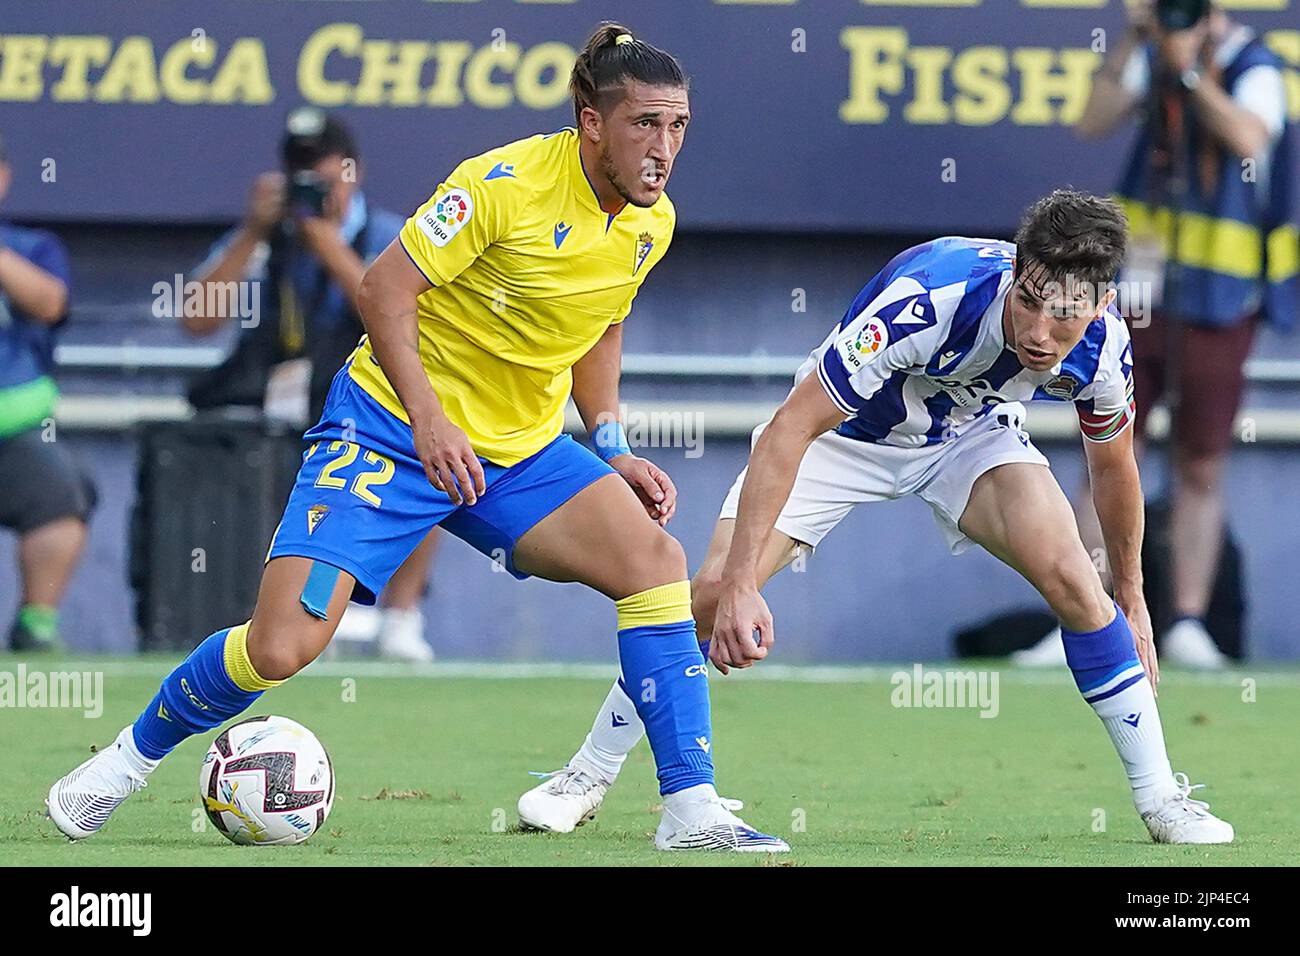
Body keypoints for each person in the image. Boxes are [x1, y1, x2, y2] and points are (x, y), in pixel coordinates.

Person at [46, 23, 788, 853]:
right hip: (389, 432)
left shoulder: (652, 224)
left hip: (516, 452)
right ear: (591, 121)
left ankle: (690, 809)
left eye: (678, 125)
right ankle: (121, 764)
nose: (664, 147)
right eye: (644, 123)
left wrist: (611, 444)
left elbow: (599, 328)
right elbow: (382, 288)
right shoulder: (501, 185)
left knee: (654, 564)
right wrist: (429, 418)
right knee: (281, 647)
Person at [518, 190, 1234, 845]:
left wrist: (1133, 595)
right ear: (1016, 273)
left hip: (968, 436)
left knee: (1081, 587)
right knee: (707, 596)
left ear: (1102, 304)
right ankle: (586, 774)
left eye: (1067, 315)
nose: (1042, 333)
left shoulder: (1105, 349)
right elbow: (789, 430)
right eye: (1030, 302)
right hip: (844, 435)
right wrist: (739, 585)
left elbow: (1114, 470)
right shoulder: (929, 300)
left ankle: (1161, 798)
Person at [1073, 0, 1297, 668]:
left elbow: (1251, 139)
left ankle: (1189, 623)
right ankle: (1085, 612)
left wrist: (1191, 73)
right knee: (1110, 447)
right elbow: (1091, 121)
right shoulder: (1148, 54)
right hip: (1138, 292)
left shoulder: (1253, 64)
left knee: (1201, 462)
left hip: (1219, 300)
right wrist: (1134, 40)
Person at [184, 108, 437, 662]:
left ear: (354, 172)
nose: (318, 193)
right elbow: (196, 319)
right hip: (283, 398)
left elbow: (394, 312)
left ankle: (400, 616)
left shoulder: (391, 235)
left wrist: (325, 241)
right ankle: (293, 611)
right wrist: (252, 233)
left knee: (435, 446)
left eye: (327, 178)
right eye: (303, 180)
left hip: (376, 396)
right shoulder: (269, 237)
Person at [0, 130, 94, 652]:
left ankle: (35, 624)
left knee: (61, 492)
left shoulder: (30, 247)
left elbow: (50, 303)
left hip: (11, 428)